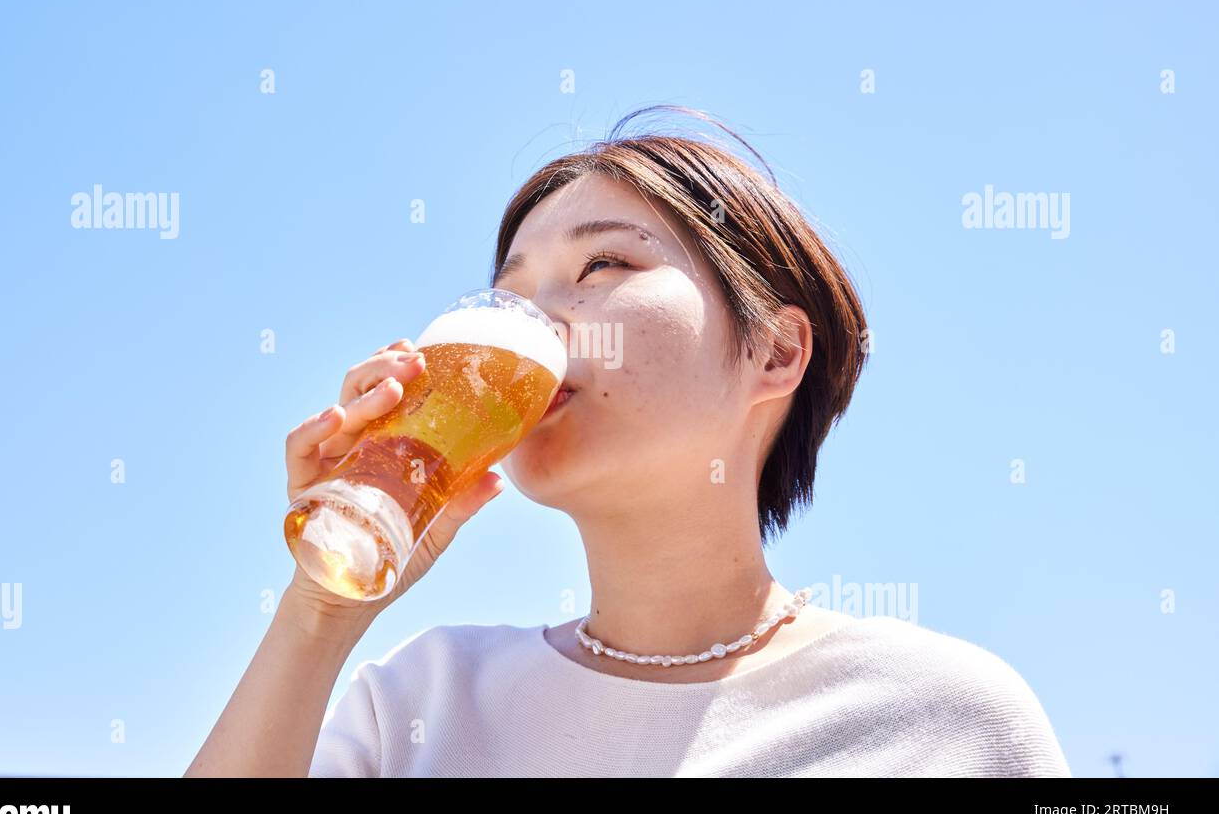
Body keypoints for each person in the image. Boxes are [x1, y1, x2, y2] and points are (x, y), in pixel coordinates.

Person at [186, 106, 1071, 777]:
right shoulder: (420, 701)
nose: (536, 318)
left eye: (603, 264)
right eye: (513, 293)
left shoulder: (942, 718)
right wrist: (321, 613)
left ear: (775, 349)